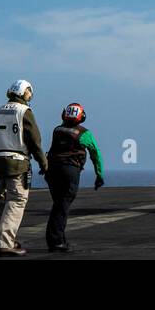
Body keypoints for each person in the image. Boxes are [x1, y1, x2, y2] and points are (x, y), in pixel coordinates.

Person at [0, 79, 48, 257]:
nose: (31, 95)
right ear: (24, 92)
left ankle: (2, 240)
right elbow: (35, 141)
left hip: (0, 162)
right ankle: (5, 243)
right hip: (18, 163)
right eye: (29, 92)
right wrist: (43, 163)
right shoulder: (24, 111)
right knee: (17, 201)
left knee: (3, 201)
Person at [44, 102, 105, 254]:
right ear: (82, 117)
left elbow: (53, 150)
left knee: (58, 204)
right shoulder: (84, 133)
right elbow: (95, 153)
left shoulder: (57, 130)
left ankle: (60, 239)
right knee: (63, 205)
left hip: (51, 170)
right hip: (69, 171)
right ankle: (56, 241)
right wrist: (99, 174)